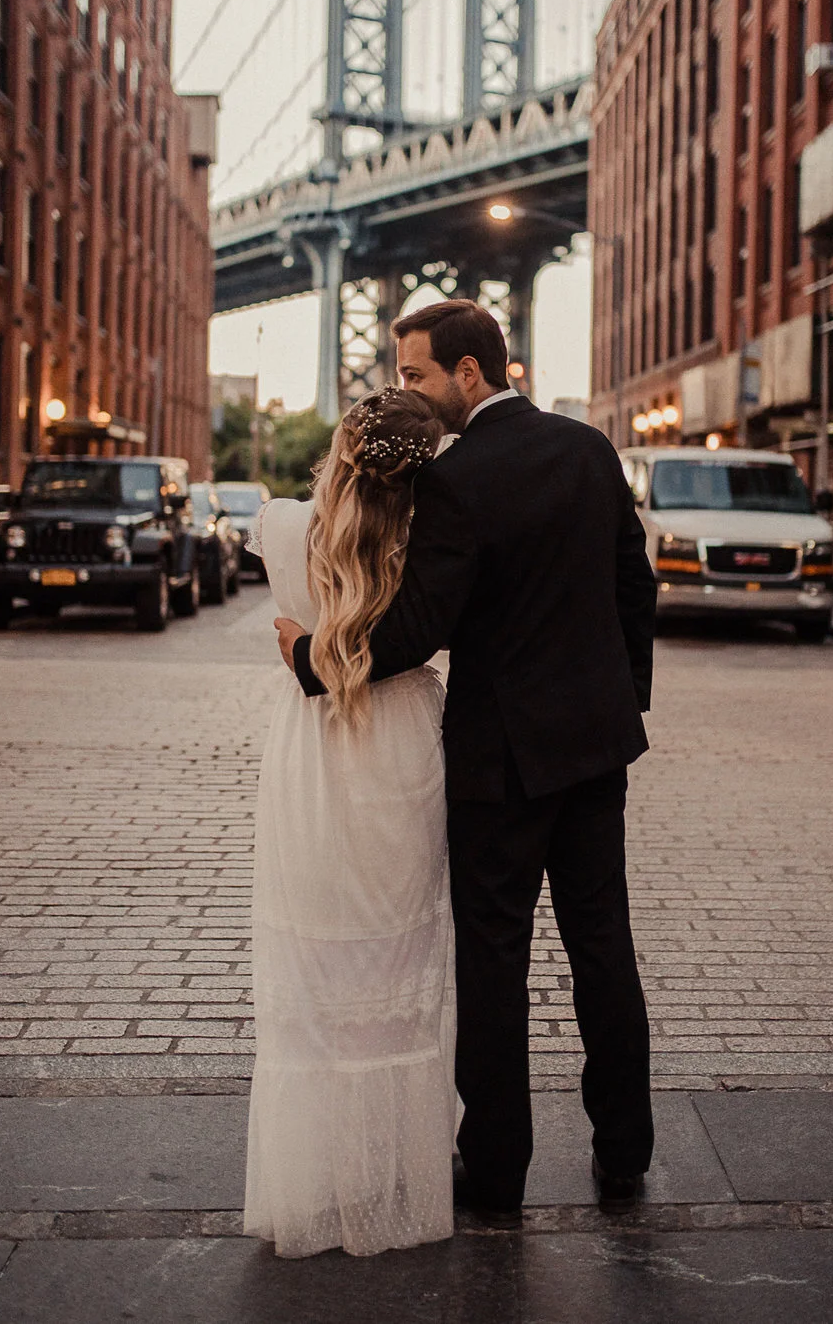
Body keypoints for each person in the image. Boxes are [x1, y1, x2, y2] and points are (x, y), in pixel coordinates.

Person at [275, 299, 657, 1223]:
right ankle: (624, 1154)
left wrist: (309, 657)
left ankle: (495, 1173)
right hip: (595, 750)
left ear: (469, 373)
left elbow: (419, 628)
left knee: (495, 963)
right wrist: (619, 701)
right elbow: (633, 583)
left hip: (500, 766)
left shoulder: (459, 477)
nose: (407, 388)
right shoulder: (588, 448)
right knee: (602, 943)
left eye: (415, 374)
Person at [239, 386, 458, 1257]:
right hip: (402, 742)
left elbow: (309, 639)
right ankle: (392, 1168)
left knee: (315, 959)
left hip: (314, 752)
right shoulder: (427, 541)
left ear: (339, 447)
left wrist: (303, 646)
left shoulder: (281, 526)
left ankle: (316, 1172)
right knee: (398, 955)